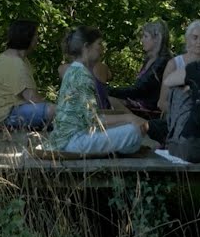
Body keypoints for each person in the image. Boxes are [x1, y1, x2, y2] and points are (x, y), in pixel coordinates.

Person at [49, 26, 148, 155]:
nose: (102, 49)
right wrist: (129, 117)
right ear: (86, 47)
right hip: (74, 142)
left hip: (66, 139)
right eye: (99, 44)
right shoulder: (82, 76)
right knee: (134, 131)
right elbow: (94, 120)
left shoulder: (73, 70)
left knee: (127, 128)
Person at [0, 19, 56, 130]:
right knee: (52, 110)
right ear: (27, 37)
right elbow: (31, 97)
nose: (37, 39)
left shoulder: (10, 58)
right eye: (36, 35)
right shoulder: (16, 63)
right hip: (6, 116)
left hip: (2, 114)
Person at [109, 21, 171, 117]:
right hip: (140, 104)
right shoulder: (150, 59)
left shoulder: (163, 62)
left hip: (151, 111)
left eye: (145, 36)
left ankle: (135, 126)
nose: (142, 40)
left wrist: (109, 90)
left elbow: (139, 90)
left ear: (156, 39)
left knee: (110, 99)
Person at [157, 20, 200, 115]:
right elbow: (162, 103)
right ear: (188, 39)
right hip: (179, 120)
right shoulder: (174, 64)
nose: (199, 42)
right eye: (195, 37)